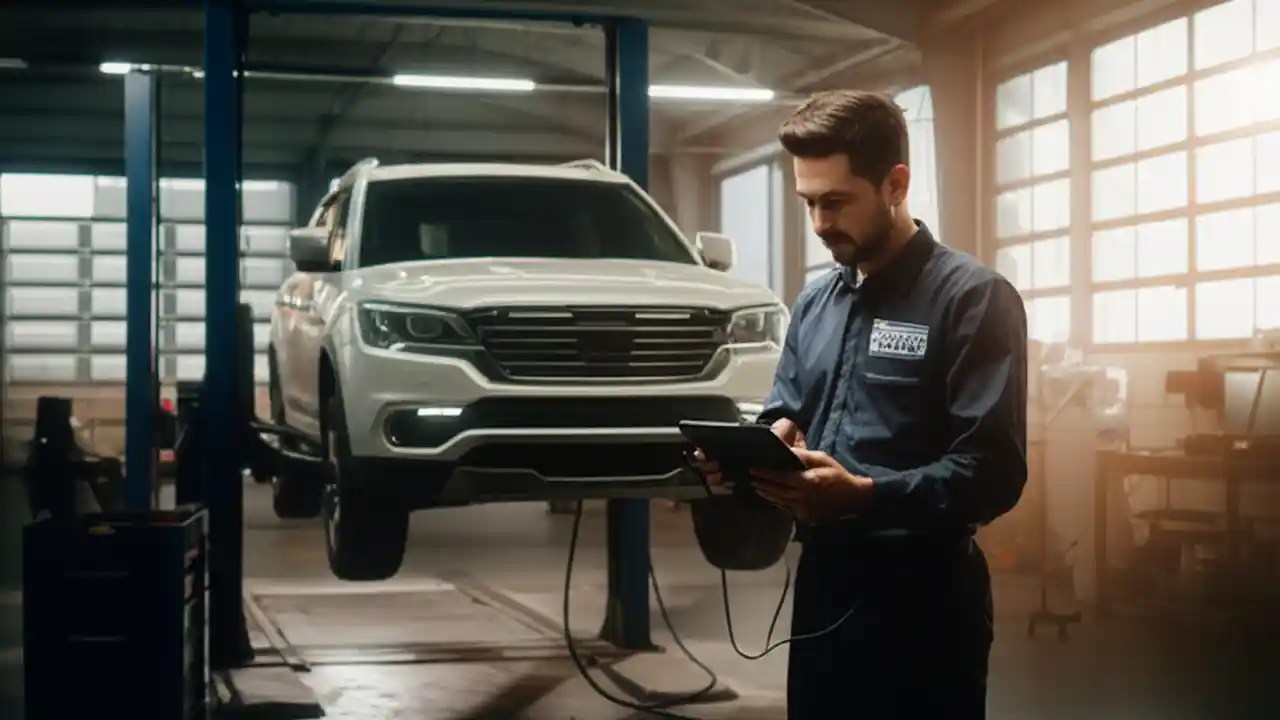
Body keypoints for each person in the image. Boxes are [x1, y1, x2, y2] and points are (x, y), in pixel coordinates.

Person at [693, 90, 1028, 719]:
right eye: (808, 203)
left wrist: (868, 495)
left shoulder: (974, 300)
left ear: (896, 184)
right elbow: (784, 414)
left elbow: (995, 472)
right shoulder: (815, 305)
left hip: (927, 604)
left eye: (836, 201)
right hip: (824, 590)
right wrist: (746, 460)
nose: (819, 223)